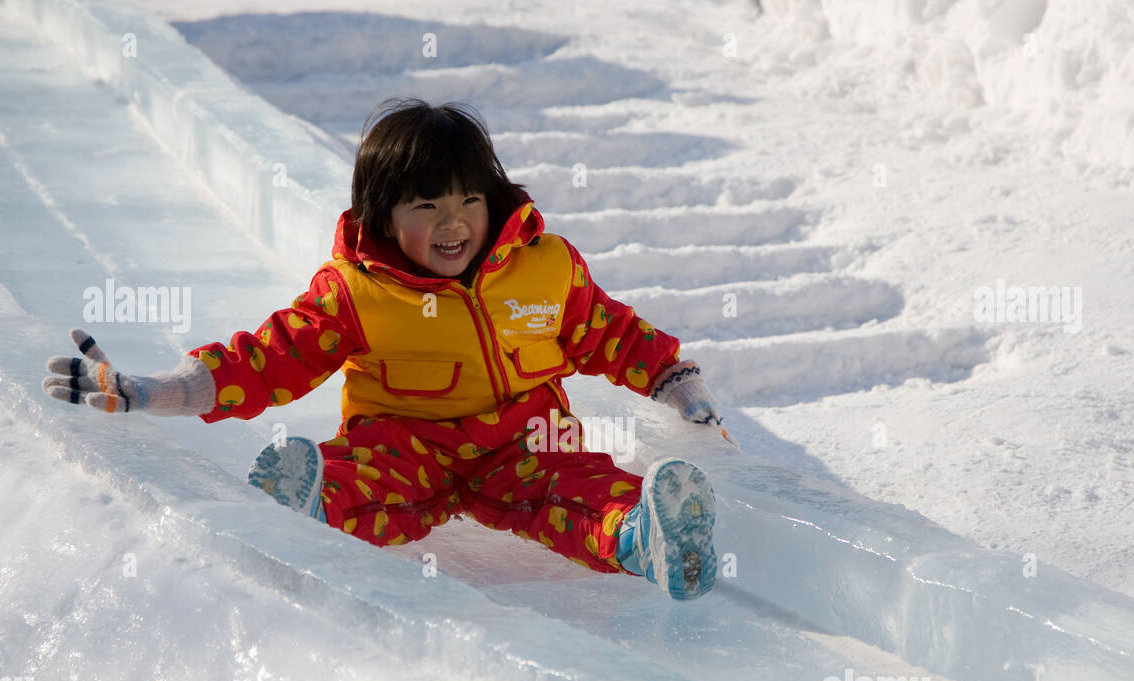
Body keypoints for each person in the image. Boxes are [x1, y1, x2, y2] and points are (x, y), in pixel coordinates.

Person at [44, 99, 726, 600]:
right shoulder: (357, 291)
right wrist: (170, 389)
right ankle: (308, 506)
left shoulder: (543, 268)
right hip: (405, 441)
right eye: (427, 207)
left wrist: (673, 378)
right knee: (363, 477)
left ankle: (643, 538)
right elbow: (274, 354)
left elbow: (606, 330)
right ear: (383, 217)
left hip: (526, 440)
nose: (454, 222)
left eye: (468, 200)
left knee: (576, 485)